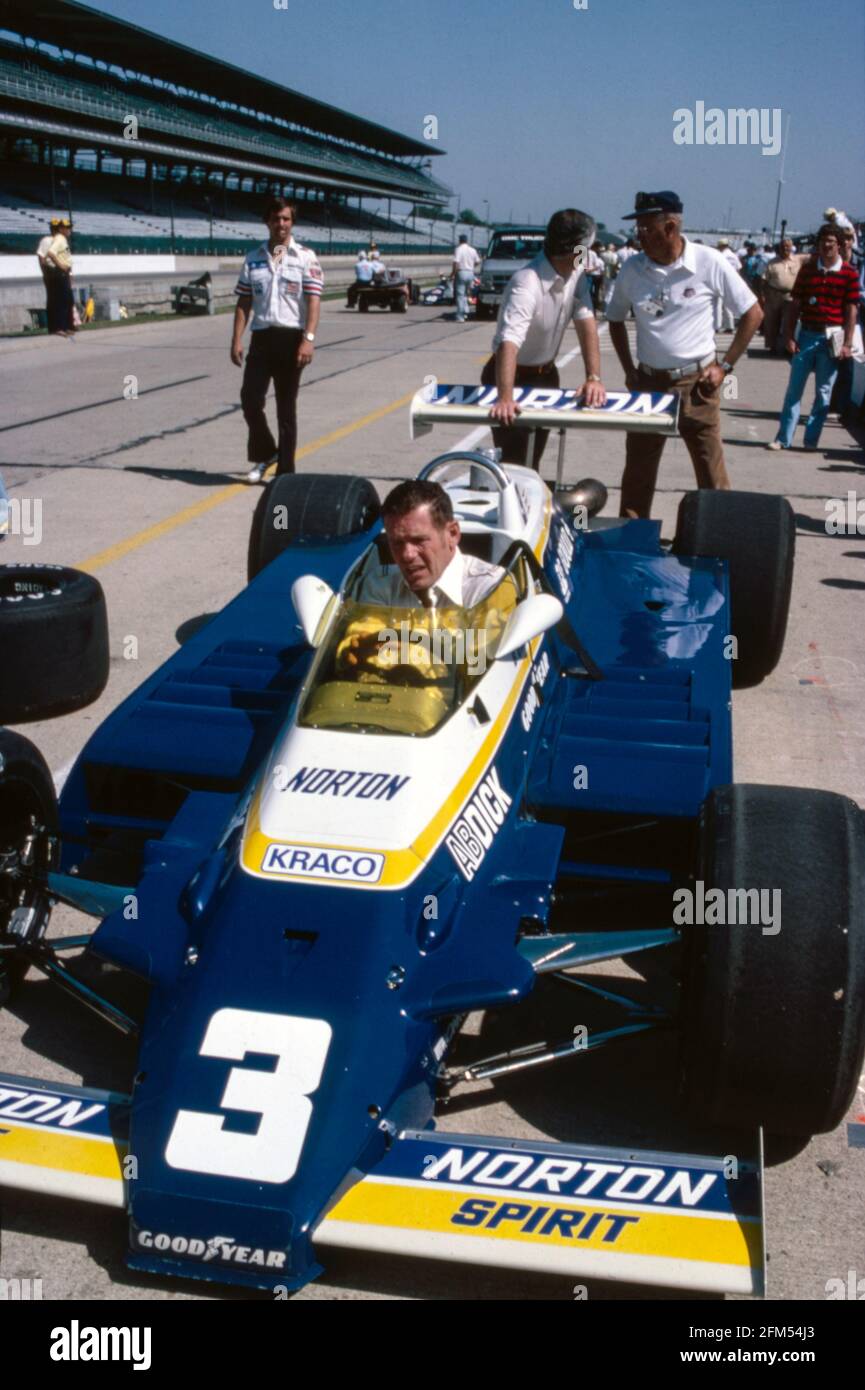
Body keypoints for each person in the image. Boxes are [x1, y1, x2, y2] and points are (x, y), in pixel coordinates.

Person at [606, 190, 762, 518]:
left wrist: (725, 366)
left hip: (696, 385)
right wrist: (629, 370)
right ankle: (633, 543)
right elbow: (615, 318)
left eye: (648, 228)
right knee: (637, 473)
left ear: (672, 227)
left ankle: (719, 539)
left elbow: (753, 313)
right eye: (639, 229)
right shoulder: (632, 269)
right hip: (649, 385)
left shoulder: (708, 262)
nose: (640, 236)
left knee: (711, 473)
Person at [482, 207, 606, 471]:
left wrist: (593, 377)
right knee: (514, 464)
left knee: (533, 460)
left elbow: (587, 324)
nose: (589, 255)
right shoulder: (526, 283)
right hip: (510, 376)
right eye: (587, 248)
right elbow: (508, 343)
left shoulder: (576, 275)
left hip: (545, 375)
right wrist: (505, 397)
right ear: (574, 249)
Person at [231, 198, 323, 483]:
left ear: (292, 222)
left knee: (286, 407)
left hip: (291, 337)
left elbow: (314, 301)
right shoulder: (253, 257)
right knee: (250, 399)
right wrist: (236, 339)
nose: (280, 224)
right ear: (267, 222)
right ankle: (267, 452)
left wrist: (308, 339)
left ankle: (285, 472)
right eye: (275, 219)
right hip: (262, 337)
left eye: (285, 219)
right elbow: (244, 301)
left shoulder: (305, 257)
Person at [769, 223, 859, 451]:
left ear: (839, 246)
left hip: (832, 338)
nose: (827, 246)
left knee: (823, 393)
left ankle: (810, 441)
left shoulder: (849, 273)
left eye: (831, 243)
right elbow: (794, 305)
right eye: (823, 242)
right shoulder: (808, 270)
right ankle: (783, 438)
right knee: (794, 389)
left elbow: (851, 310)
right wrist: (789, 336)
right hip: (807, 334)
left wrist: (848, 343)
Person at [359, 479, 503, 609]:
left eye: (418, 541)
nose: (407, 554)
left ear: (452, 534)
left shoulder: (490, 589)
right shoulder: (378, 586)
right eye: (397, 543)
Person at [759, 238, 804, 354]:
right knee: (772, 322)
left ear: (791, 247)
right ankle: (772, 346)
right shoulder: (772, 262)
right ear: (779, 248)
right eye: (783, 246)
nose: (785, 248)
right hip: (774, 295)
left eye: (788, 246)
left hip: (791, 296)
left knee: (789, 323)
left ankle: (787, 347)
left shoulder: (798, 260)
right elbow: (763, 280)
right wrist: (762, 295)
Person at [42, 217, 75, 337]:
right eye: (67, 228)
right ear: (61, 229)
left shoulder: (63, 239)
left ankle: (65, 326)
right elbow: (50, 253)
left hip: (64, 273)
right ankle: (59, 327)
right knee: (61, 301)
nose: (69, 230)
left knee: (67, 300)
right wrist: (61, 265)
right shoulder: (60, 239)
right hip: (60, 273)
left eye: (69, 227)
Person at [451, 234, 481, 322]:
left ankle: (460, 316)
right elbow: (478, 261)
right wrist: (472, 266)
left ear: (460, 240)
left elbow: (456, 262)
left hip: (461, 272)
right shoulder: (472, 250)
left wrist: (453, 273)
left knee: (460, 295)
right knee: (467, 293)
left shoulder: (458, 249)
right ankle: (466, 311)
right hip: (470, 272)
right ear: (466, 240)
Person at [715, 239, 741, 331]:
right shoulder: (734, 256)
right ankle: (730, 325)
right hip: (732, 281)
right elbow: (739, 268)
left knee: (718, 304)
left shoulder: (720, 255)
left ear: (721, 246)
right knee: (728, 304)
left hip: (720, 281)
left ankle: (717, 325)